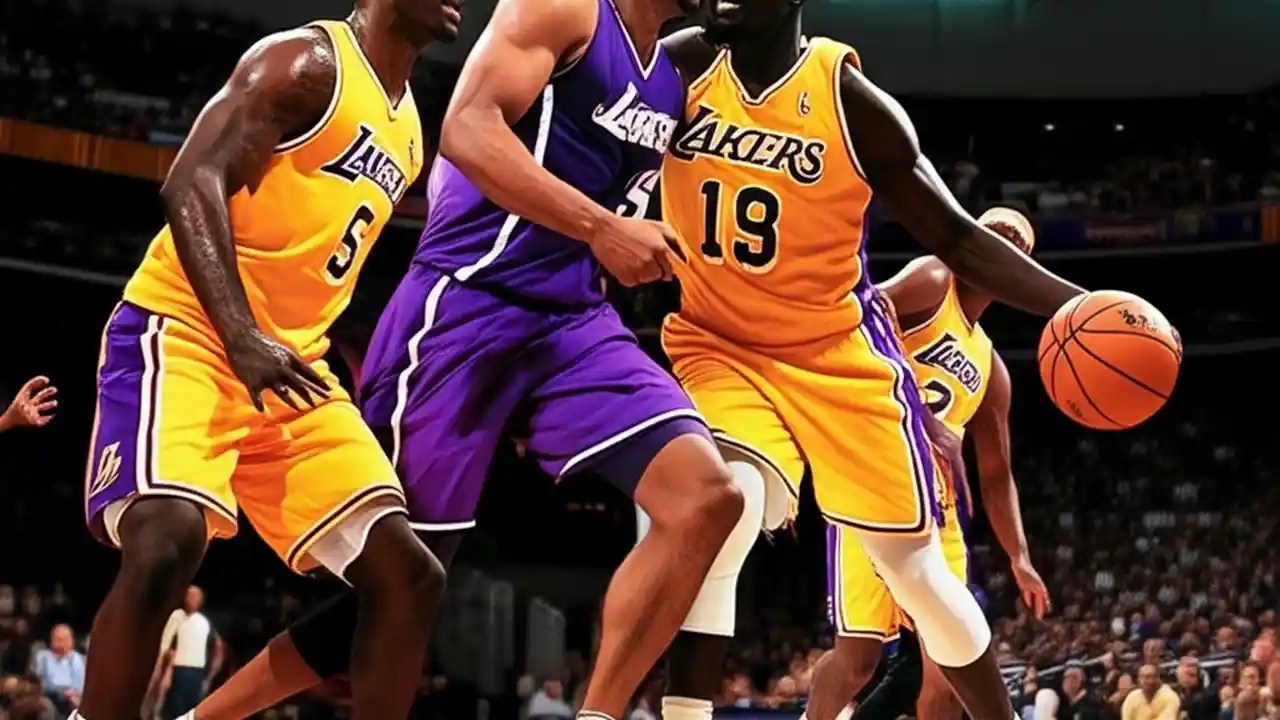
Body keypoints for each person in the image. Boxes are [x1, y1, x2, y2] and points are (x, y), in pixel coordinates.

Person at [181, 2, 750, 720]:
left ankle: (599, 715)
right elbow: (467, 129)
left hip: (573, 316)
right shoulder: (564, 8)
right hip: (466, 303)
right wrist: (603, 226)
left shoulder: (675, 72)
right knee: (402, 589)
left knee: (708, 498)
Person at [656, 2, 1090, 719]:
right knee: (721, 507)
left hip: (838, 373)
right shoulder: (681, 66)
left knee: (922, 584)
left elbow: (956, 234)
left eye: (1017, 237)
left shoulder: (850, 102)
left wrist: (1079, 305)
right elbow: (596, 114)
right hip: (721, 343)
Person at [74, 1, 461, 718]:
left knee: (409, 577)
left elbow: (316, 260)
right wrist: (241, 333)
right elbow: (190, 180)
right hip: (188, 331)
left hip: (289, 366)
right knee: (167, 544)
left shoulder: (409, 130)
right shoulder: (303, 64)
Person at [809, 208, 1051, 720]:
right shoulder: (934, 278)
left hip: (939, 515)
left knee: (945, 678)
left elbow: (996, 474)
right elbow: (858, 323)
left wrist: (1020, 556)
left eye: (1015, 244)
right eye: (992, 235)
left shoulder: (992, 368)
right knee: (857, 661)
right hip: (872, 481)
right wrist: (919, 414)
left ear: (1019, 268)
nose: (1001, 246)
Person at [148, 586, 223, 719]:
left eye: (195, 597)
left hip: (197, 671)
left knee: (192, 710)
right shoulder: (177, 616)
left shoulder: (204, 622)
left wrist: (209, 674)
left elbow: (217, 647)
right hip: (179, 669)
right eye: (189, 596)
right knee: (175, 708)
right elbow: (165, 642)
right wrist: (161, 668)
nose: (192, 599)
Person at [32, 624, 85, 717]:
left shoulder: (79, 659)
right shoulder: (43, 657)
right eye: (57, 639)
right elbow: (40, 682)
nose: (60, 643)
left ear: (72, 641)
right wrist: (63, 692)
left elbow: (80, 684)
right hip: (50, 696)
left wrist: (74, 694)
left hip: (74, 698)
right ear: (51, 641)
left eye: (64, 639)